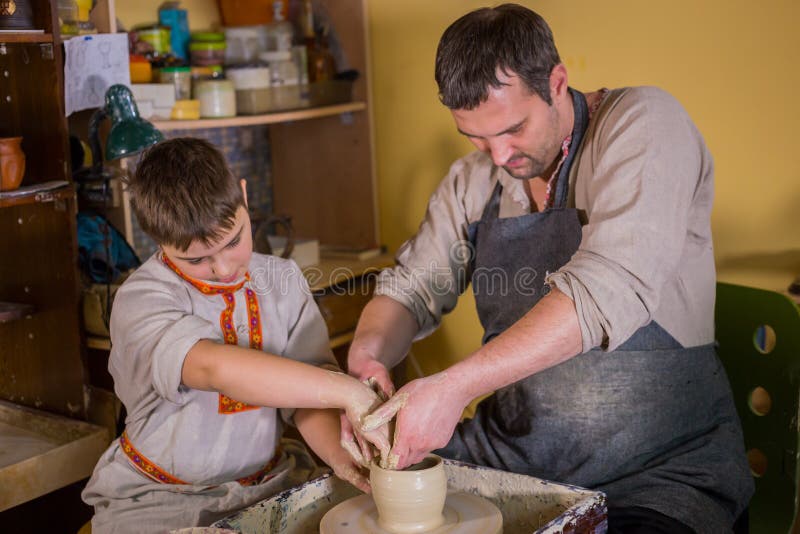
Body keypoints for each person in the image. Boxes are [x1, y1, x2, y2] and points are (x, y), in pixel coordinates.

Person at [343, 4, 753, 533]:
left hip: (659, 475)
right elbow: (412, 289)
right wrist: (366, 358)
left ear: (557, 82)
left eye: (513, 129)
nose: (497, 155)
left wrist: (454, 387)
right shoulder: (474, 181)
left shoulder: (645, 124)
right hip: (511, 460)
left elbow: (609, 286)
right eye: (475, 136)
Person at [82, 138, 388, 533]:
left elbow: (310, 398)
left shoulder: (281, 279)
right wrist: (349, 391)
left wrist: (343, 459)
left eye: (233, 241)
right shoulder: (142, 298)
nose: (224, 268)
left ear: (243, 196)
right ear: (158, 239)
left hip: (270, 482)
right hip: (161, 497)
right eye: (196, 260)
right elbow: (212, 368)